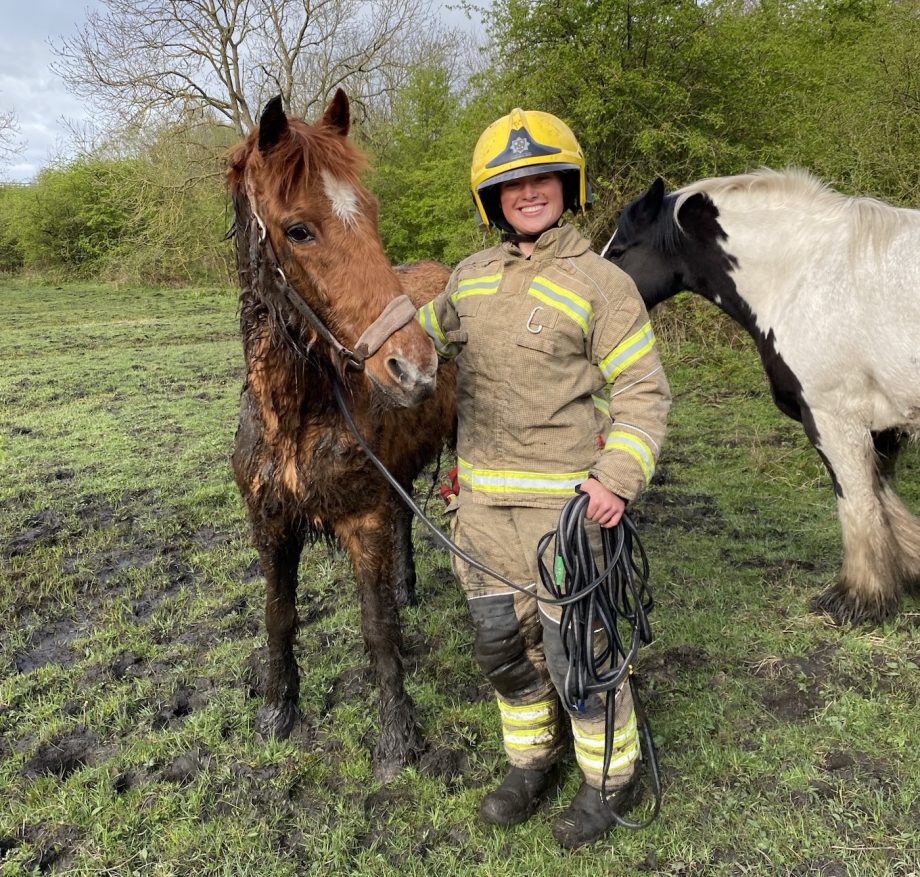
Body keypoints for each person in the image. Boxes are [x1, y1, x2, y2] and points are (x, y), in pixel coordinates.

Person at [418, 108, 671, 849]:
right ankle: (533, 760)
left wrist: (617, 479)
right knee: (502, 649)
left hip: (566, 516)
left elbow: (645, 395)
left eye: (543, 179)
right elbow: (410, 342)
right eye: (512, 184)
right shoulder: (469, 278)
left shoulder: (603, 284)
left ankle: (608, 777)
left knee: (581, 655)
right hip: (481, 515)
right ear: (492, 199)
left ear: (568, 185)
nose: (529, 192)